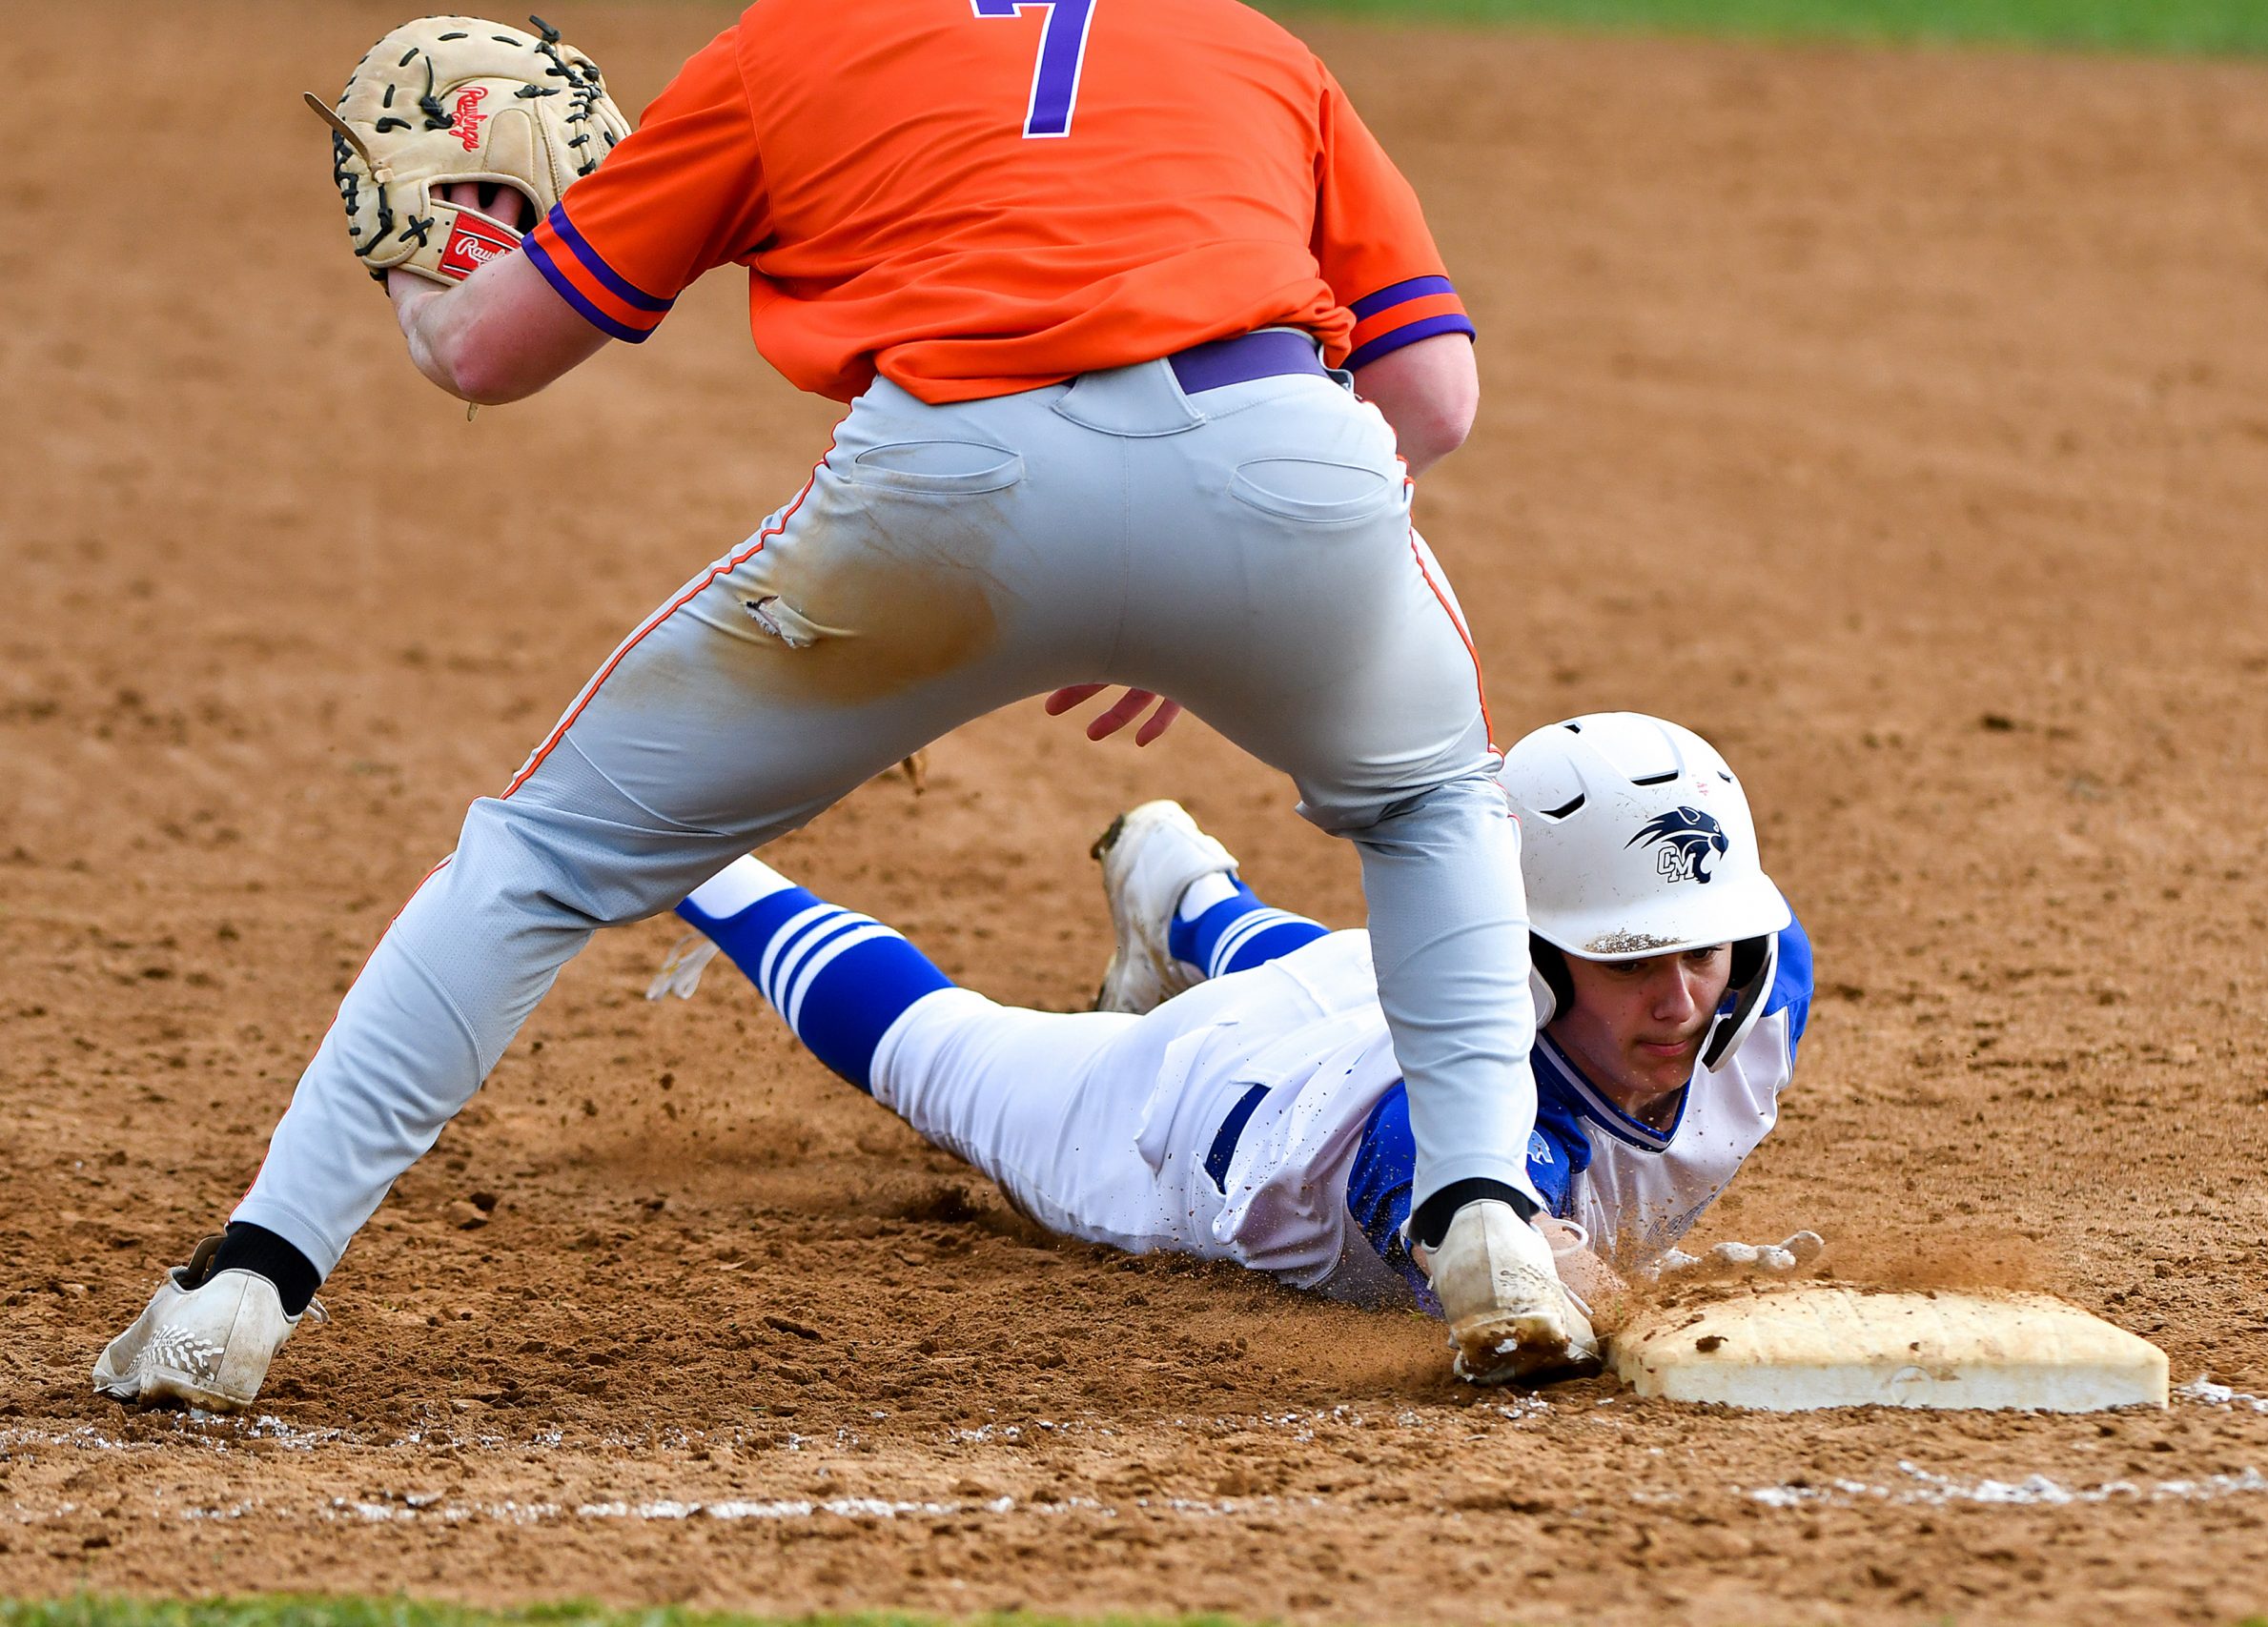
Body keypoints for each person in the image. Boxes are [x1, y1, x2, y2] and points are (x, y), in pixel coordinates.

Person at [97, 0, 1585, 1413]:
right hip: (1288, 475)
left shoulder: (786, 44)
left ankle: (246, 1283)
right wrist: (1218, 593)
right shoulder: (1248, 41)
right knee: (1435, 798)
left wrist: (425, 266)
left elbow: (486, 349)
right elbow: (1433, 399)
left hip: (950, 500)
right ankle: (1482, 1217)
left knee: (536, 858)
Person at [646, 713, 1817, 1358]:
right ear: (1530, 956)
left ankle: (1187, 894)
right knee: (939, 1055)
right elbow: (1533, 1312)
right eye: (1626, 959)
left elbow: (1707, 952)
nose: (1679, 1000)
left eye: (1701, 950)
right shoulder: (1449, 1140)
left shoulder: (1761, 978)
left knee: (1338, 967)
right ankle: (690, 851)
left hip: (1362, 992)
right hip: (1184, 1106)